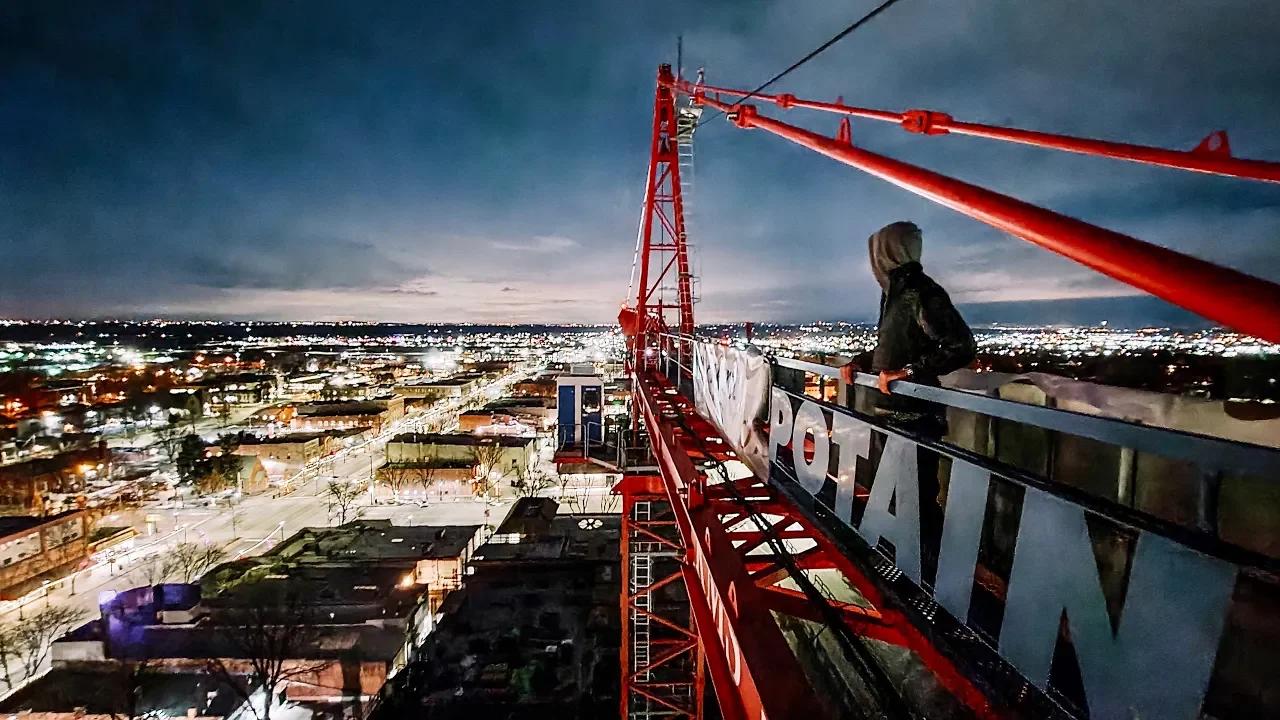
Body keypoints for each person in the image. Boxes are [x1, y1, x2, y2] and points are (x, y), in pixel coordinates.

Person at [841, 220, 975, 585]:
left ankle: (937, 581)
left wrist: (912, 372)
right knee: (902, 498)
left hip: (916, 417)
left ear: (886, 253)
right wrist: (861, 363)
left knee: (919, 502)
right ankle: (910, 567)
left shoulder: (920, 292)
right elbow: (896, 349)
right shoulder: (896, 294)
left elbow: (962, 346)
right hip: (895, 415)